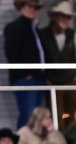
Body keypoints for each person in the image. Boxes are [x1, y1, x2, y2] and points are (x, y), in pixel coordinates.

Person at [37, 1, 76, 129]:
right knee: (57, 115)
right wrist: (44, 77)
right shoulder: (43, 35)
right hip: (53, 82)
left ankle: (73, 142)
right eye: (63, 16)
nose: (66, 20)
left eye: (68, 17)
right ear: (55, 17)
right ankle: (60, 142)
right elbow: (38, 58)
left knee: (73, 113)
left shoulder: (72, 34)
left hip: (71, 80)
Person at [3, 0, 47, 129]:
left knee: (37, 117)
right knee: (28, 114)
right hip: (26, 79)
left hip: (38, 78)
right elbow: (11, 52)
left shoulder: (35, 28)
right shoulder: (15, 27)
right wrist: (25, 73)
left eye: (36, 7)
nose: (33, 10)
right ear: (22, 7)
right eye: (30, 6)